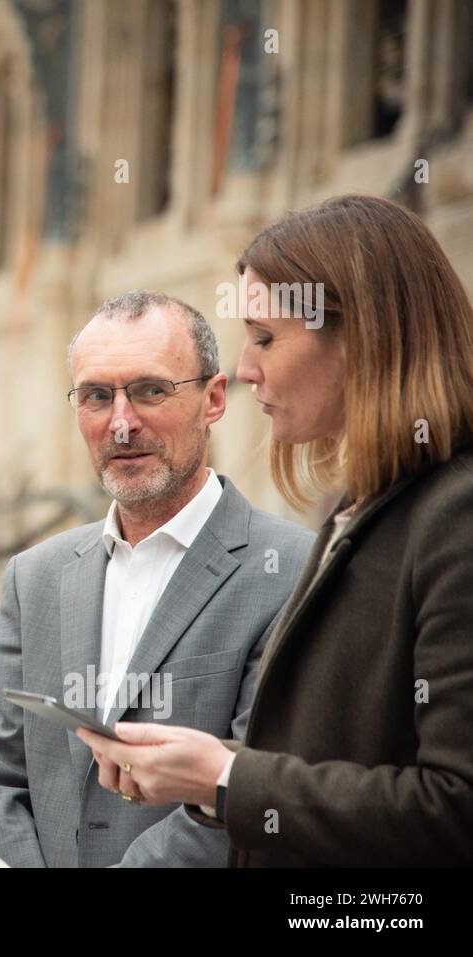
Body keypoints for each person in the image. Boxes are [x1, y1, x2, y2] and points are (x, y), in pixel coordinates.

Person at [79, 194, 473, 866]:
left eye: (264, 336)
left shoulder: (452, 517)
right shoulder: (363, 511)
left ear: (362, 336)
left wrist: (227, 778)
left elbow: (453, 807)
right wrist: (209, 777)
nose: (244, 368)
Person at [0, 292, 313, 867]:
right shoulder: (37, 577)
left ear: (215, 399)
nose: (121, 424)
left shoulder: (290, 570)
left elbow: (256, 788)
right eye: (97, 396)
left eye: (151, 391)